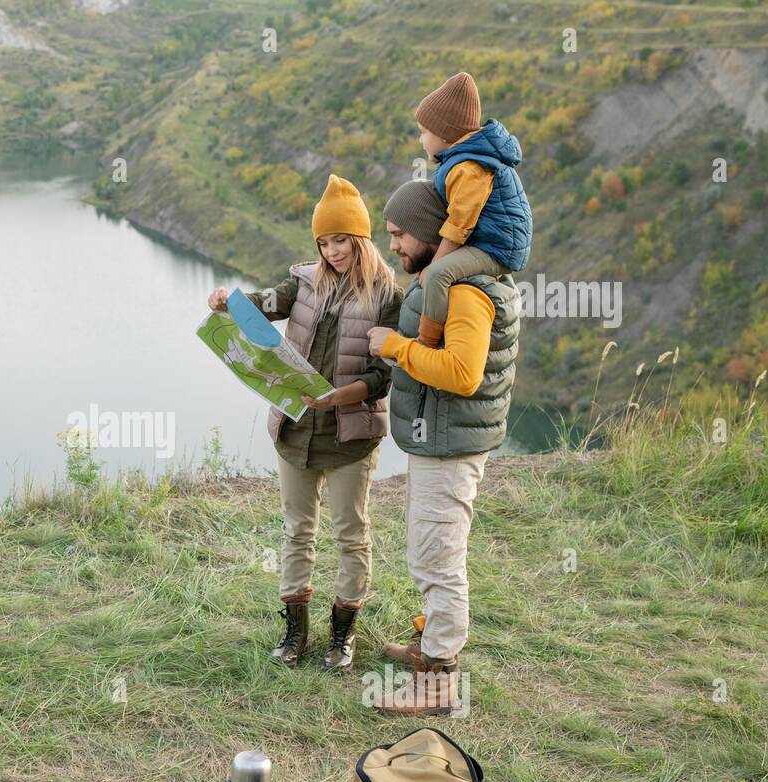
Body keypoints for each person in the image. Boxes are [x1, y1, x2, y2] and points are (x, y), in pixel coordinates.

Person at [208, 175, 402, 671]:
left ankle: (342, 635)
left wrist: (346, 395)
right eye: (324, 241)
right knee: (297, 530)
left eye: (341, 240)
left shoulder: (387, 297)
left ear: (360, 238)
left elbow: (385, 375)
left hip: (349, 436)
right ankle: (295, 631)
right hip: (295, 428)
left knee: (350, 534)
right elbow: (265, 305)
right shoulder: (304, 281)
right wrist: (228, 300)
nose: (332, 250)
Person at [366, 180, 521, 715]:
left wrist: (395, 347)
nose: (394, 247)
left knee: (439, 560)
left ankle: (438, 682)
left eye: (399, 235)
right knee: (427, 550)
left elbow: (461, 373)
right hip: (440, 439)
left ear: (432, 233)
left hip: (451, 447)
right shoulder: (442, 282)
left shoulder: (467, 292)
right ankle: (429, 645)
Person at [411, 71, 531, 350]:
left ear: (444, 133)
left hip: (498, 247)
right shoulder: (464, 159)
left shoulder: (469, 168)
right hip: (492, 240)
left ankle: (426, 341)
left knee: (438, 275)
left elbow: (460, 224)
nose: (421, 140)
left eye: (423, 132)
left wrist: (433, 265)